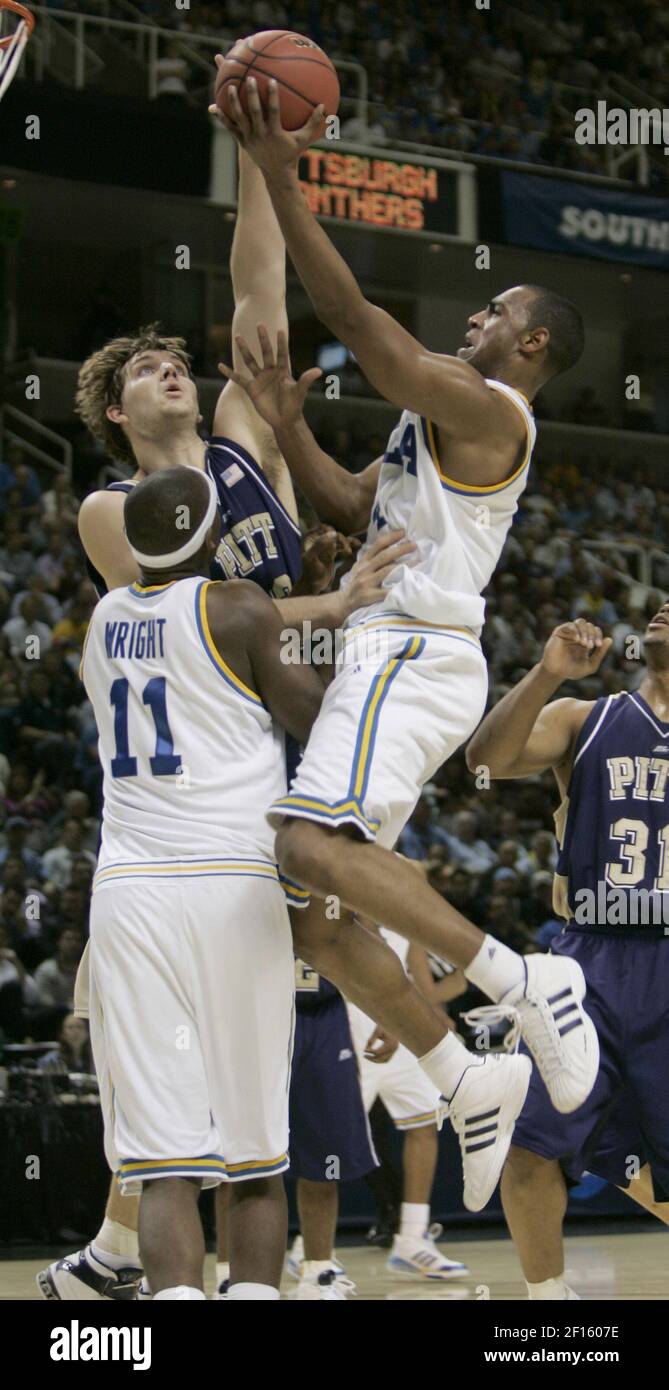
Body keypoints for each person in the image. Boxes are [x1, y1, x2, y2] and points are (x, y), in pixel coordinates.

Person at [209, 76, 598, 1209]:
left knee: (302, 848)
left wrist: (283, 178)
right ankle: (462, 1071)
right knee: (319, 918)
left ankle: (522, 980)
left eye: (491, 313)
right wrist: (287, 425)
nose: (471, 318)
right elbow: (345, 509)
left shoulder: (492, 411)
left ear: (528, 342)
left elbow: (359, 331)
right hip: (398, 652)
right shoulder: (432, 423)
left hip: (413, 651)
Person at [39, 139, 405, 1305]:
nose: (172, 366)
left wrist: (256, 154)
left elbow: (258, 290)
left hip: (306, 741)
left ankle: (147, 1251)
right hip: (207, 783)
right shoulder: (109, 515)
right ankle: (131, 1248)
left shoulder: (248, 436)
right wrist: (327, 599)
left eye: (175, 358)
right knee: (186, 1049)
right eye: (146, 366)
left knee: (298, 1006)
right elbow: (214, 608)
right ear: (111, 408)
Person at [43, 466, 326, 1302]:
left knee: (164, 1151)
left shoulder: (100, 619)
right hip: (231, 883)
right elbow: (308, 713)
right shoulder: (236, 605)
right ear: (208, 535)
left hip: (131, 890)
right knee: (254, 1150)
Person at [466, 612, 669, 1299]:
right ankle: (547, 1304)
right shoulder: (585, 719)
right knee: (526, 1138)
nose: (661, 609)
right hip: (587, 961)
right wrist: (548, 672)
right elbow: (484, 762)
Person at [347, 925, 469, 1282]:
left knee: (423, 1125)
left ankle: (412, 1238)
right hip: (352, 1018)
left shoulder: (404, 883)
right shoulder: (338, 882)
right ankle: (307, 1250)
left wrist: (427, 1010)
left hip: (396, 1018)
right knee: (337, 1136)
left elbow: (436, 983)